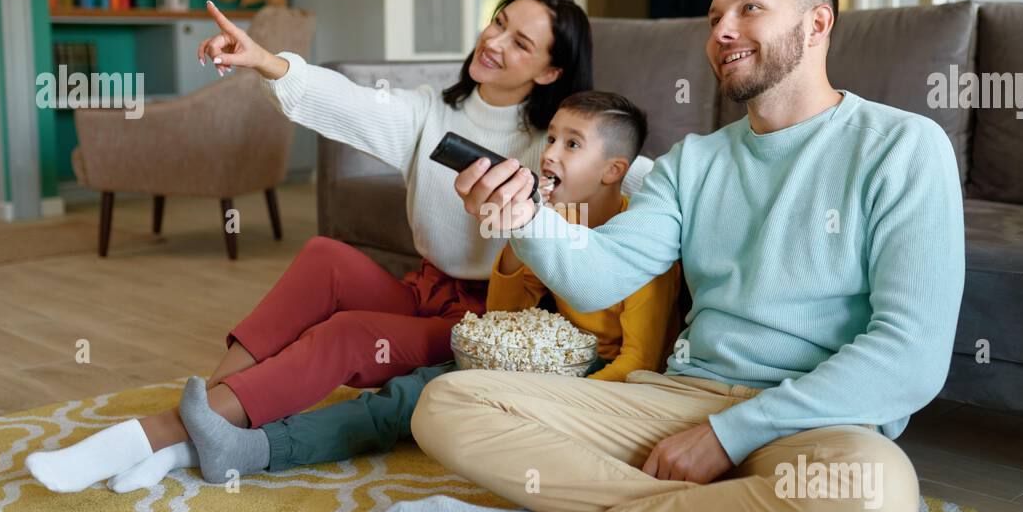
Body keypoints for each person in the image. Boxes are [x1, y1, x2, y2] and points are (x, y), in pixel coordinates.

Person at [384, 0, 966, 512]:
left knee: (873, 498)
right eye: (716, 14)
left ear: (817, 25)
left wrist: (730, 436)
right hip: (679, 398)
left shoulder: (904, 146)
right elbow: (603, 272)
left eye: (750, 9)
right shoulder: (696, 162)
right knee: (448, 404)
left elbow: (910, 357)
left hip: (820, 415)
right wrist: (527, 219)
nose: (722, 30)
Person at [26, 0, 652, 495]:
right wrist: (264, 60)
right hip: (424, 289)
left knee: (350, 334)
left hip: (485, 320)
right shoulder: (427, 112)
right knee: (325, 256)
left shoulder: (559, 146)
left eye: (520, 41)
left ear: (551, 69)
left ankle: (154, 435)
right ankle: (197, 434)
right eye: (497, 23)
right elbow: (340, 101)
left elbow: (644, 178)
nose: (492, 41)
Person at [175, 90, 682, 480]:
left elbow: (639, 362)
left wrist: (556, 402)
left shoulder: (639, 239)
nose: (550, 154)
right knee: (408, 393)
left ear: (615, 169)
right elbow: (505, 316)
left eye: (572, 144)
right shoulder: (550, 221)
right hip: (538, 350)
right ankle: (253, 448)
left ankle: (254, 443)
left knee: (418, 403)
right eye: (551, 138)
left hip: (593, 375)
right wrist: (516, 236)